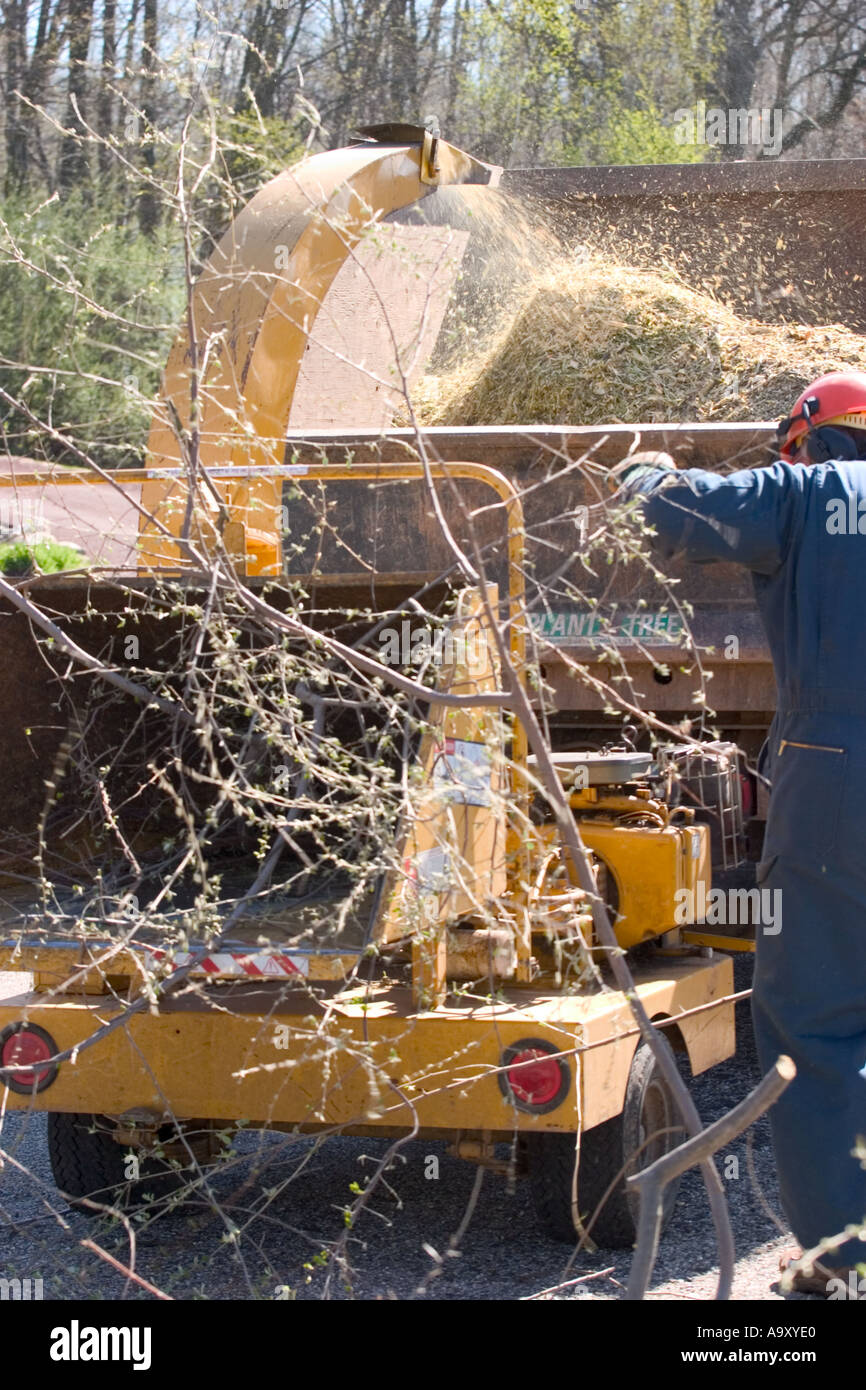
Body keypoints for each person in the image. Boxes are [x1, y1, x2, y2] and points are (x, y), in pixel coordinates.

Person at [612, 371, 866, 1296]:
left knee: (821, 1020)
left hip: (840, 774)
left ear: (805, 438)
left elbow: (667, 510)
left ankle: (845, 1265)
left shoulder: (803, 493)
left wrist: (644, 471)